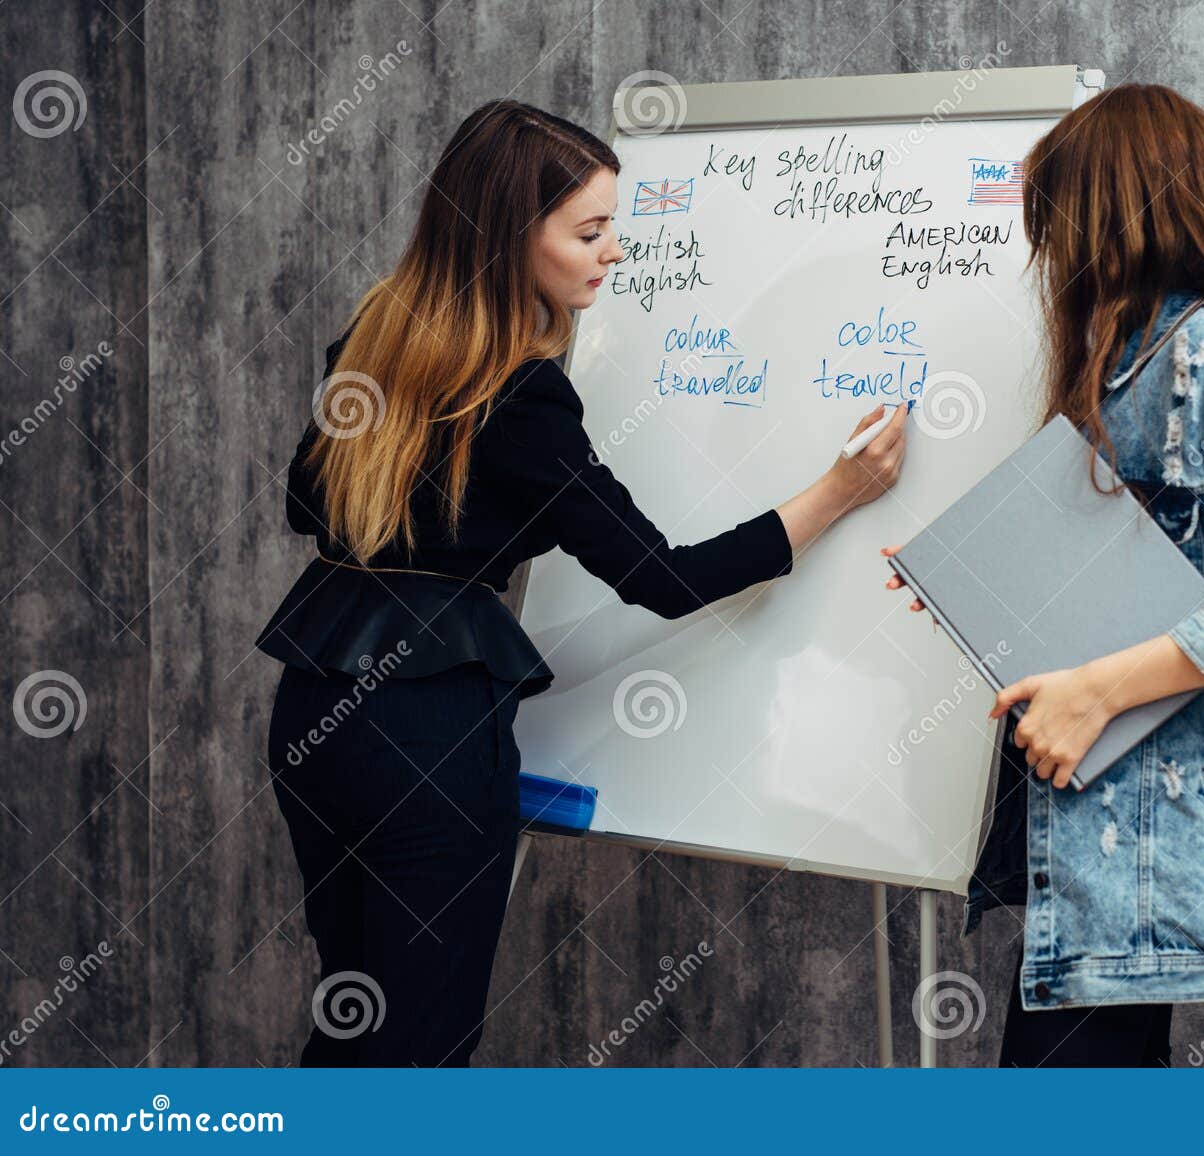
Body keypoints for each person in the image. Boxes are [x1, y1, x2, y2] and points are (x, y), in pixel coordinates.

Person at [255, 100, 907, 1066]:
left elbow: (309, 507)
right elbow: (665, 579)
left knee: (354, 1017)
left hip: (315, 714)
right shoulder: (522, 396)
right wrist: (839, 491)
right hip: (428, 740)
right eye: (590, 232)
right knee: (422, 1044)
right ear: (512, 234)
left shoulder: (378, 337)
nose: (613, 255)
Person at [886, 84, 1204, 1067]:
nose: (1049, 262)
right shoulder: (1137, 359)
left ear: (1105, 217)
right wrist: (980, 592)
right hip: (1113, 839)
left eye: (1055, 230)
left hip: (1156, 830)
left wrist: (1095, 691)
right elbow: (1152, 568)